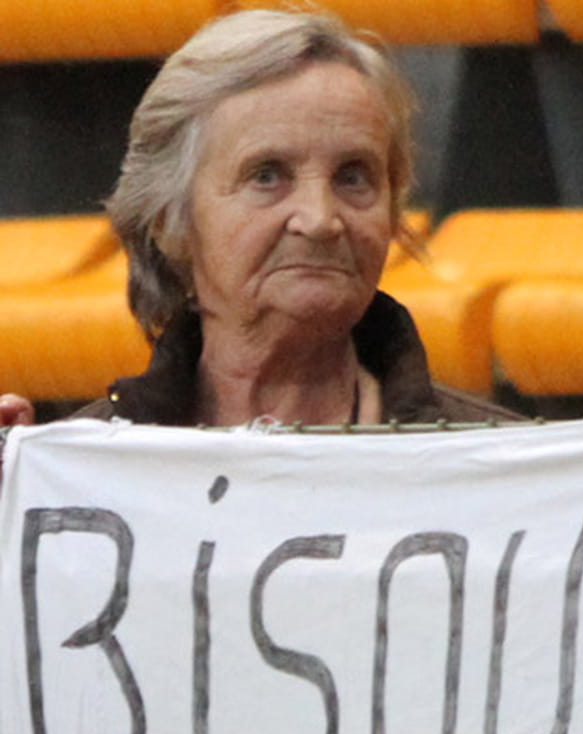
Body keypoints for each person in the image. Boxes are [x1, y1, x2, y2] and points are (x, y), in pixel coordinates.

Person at [0, 7, 521, 432]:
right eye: (267, 176)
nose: (320, 220)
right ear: (169, 219)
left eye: (354, 177)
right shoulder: (85, 480)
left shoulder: (501, 476)